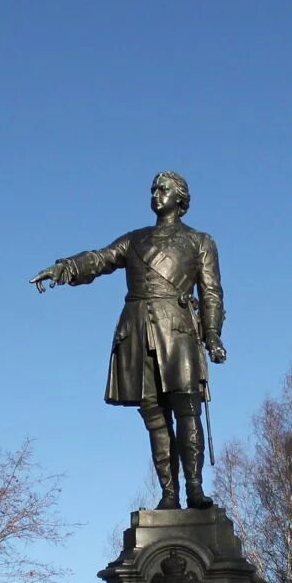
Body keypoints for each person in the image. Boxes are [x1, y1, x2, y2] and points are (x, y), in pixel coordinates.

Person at [31, 171, 226, 509]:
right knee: (153, 415)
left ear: (180, 199)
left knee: (186, 409)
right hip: (137, 329)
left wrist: (212, 336)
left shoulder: (200, 242)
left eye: (163, 189)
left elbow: (211, 293)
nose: (155, 194)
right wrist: (63, 268)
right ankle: (169, 494)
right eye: (153, 189)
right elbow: (100, 259)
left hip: (177, 331)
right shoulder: (135, 240)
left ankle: (194, 490)